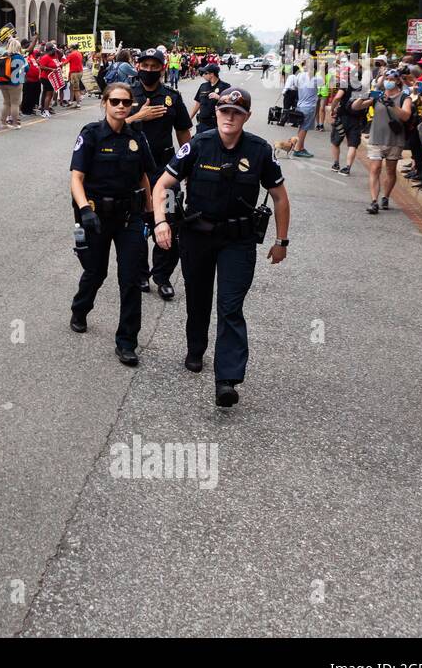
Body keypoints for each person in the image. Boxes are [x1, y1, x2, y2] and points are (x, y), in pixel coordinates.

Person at [151, 88, 289, 409]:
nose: (230, 117)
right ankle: (196, 347)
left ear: (246, 117)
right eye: (225, 111)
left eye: (237, 113)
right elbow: (162, 185)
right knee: (198, 299)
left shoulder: (259, 151)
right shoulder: (199, 145)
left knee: (230, 306)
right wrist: (161, 222)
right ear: (217, 113)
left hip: (237, 241)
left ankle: (226, 379)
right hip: (197, 236)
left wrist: (281, 241)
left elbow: (280, 197)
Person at [70, 82, 157, 366]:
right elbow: (77, 178)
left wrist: (151, 213)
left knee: (130, 278)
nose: (121, 107)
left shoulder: (136, 137)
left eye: (126, 102)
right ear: (104, 103)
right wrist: (85, 210)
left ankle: (127, 341)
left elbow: (144, 176)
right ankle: (80, 309)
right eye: (115, 102)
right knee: (96, 272)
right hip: (96, 215)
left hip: (129, 217)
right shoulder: (91, 134)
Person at [127, 48, 192, 300]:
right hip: (134, 171)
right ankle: (141, 273)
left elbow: (184, 134)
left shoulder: (172, 98)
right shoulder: (128, 95)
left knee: (170, 222)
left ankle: (162, 276)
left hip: (167, 171)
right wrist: (138, 116)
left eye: (155, 66)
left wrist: (189, 168)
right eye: (146, 65)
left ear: (163, 68)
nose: (150, 70)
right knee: (137, 224)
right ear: (138, 66)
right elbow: (111, 125)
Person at [351, 69, 415, 214]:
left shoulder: (405, 97)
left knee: (391, 171)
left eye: (392, 78)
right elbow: (356, 107)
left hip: (394, 140)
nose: (389, 81)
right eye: (387, 77)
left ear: (398, 81)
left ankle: (385, 196)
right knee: (375, 168)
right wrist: (364, 96)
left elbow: (405, 116)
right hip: (376, 138)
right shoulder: (378, 96)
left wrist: (392, 105)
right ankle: (374, 201)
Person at [328, 60, 363, 176]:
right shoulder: (363, 86)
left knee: (335, 141)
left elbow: (337, 97)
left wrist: (332, 108)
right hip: (356, 118)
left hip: (342, 116)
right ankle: (347, 167)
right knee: (352, 144)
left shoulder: (345, 85)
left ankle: (336, 164)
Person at [190, 63, 230, 134]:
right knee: (198, 143)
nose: (203, 75)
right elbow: (197, 104)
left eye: (205, 73)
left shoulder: (225, 87)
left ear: (212, 74)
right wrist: (189, 118)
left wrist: (219, 98)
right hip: (202, 124)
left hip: (216, 125)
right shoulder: (203, 86)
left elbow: (231, 103)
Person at [0, 35, 26, 128]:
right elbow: (26, 68)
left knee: (6, 102)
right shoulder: (19, 57)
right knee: (15, 103)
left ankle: (3, 123)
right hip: (15, 82)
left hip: (3, 81)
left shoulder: (3, 56)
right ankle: (15, 123)